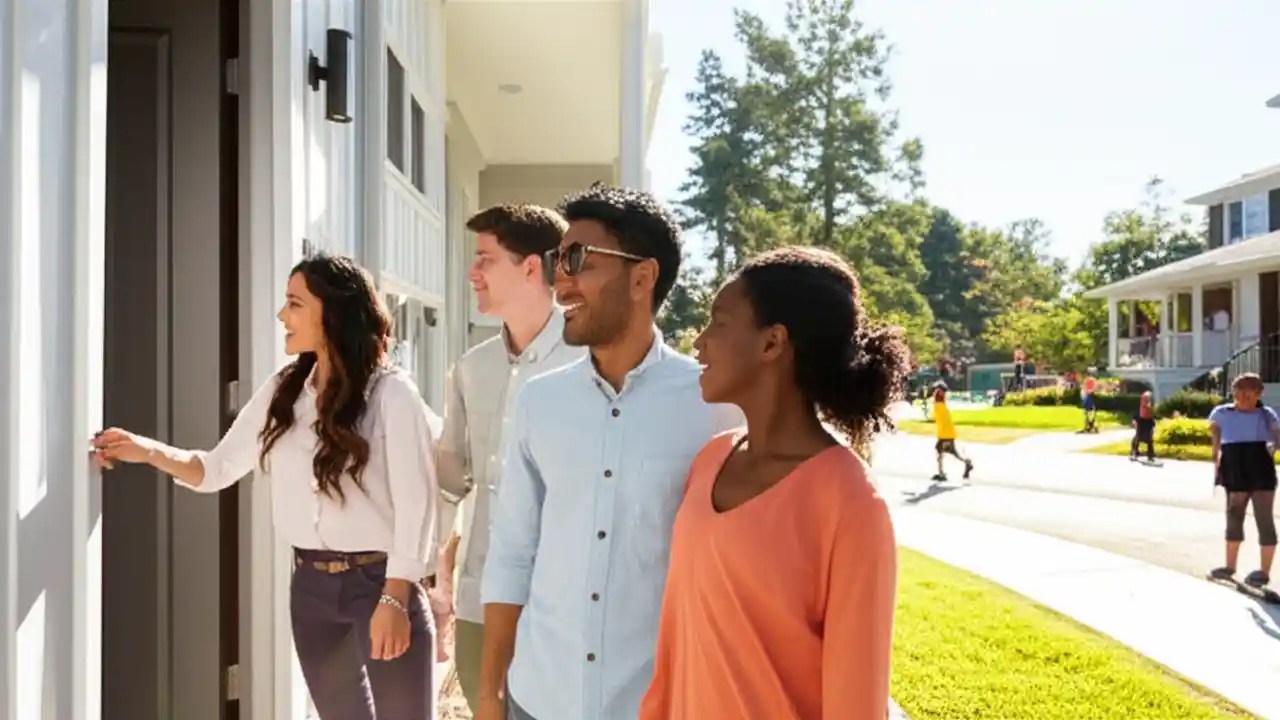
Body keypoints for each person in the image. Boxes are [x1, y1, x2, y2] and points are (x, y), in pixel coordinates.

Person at [93, 254, 439, 719]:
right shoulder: (284, 390)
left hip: (380, 583)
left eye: (294, 304)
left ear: (332, 314)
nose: (282, 316)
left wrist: (396, 594)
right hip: (312, 590)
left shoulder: (392, 394)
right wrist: (146, 450)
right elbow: (215, 469)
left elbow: (418, 502)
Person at [477, 184, 742, 720]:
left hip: (657, 703)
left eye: (578, 260)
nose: (561, 281)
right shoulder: (539, 402)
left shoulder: (715, 407)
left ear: (642, 277)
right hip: (539, 698)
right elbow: (511, 551)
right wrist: (489, 695)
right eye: (558, 261)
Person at [638, 246, 901, 720]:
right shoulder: (711, 460)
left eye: (718, 322)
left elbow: (857, 702)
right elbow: (677, 639)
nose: (699, 342)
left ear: (771, 343)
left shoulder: (851, 502)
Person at [434, 204, 585, 712]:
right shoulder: (470, 369)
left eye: (485, 259)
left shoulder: (589, 361)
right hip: (481, 600)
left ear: (530, 267)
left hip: (564, 606)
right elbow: (448, 480)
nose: (472, 273)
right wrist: (432, 579)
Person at [1208, 373, 1278, 588]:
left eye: (1250, 392)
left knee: (1264, 518)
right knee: (1234, 515)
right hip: (1234, 465)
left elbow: (1277, 437)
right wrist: (1216, 457)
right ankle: (1229, 566)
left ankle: (1263, 572)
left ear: (1259, 394)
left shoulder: (1267, 414)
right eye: (1239, 392)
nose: (1244, 397)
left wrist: (1273, 443)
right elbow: (1216, 437)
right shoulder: (1221, 412)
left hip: (1260, 466)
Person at [931, 381, 973, 482]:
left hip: (945, 434)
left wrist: (938, 390)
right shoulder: (941, 405)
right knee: (951, 452)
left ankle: (942, 474)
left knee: (940, 452)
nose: (934, 392)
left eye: (936, 390)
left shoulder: (939, 404)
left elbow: (938, 396)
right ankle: (967, 463)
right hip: (947, 433)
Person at [1130, 390, 1156, 463]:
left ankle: (1150, 455)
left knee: (1150, 439)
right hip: (1141, 421)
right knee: (1138, 437)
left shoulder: (1150, 405)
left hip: (1149, 421)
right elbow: (1136, 416)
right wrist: (1134, 422)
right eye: (1144, 398)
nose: (1145, 399)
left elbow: (1152, 413)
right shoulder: (1141, 406)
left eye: (1147, 398)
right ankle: (1134, 453)